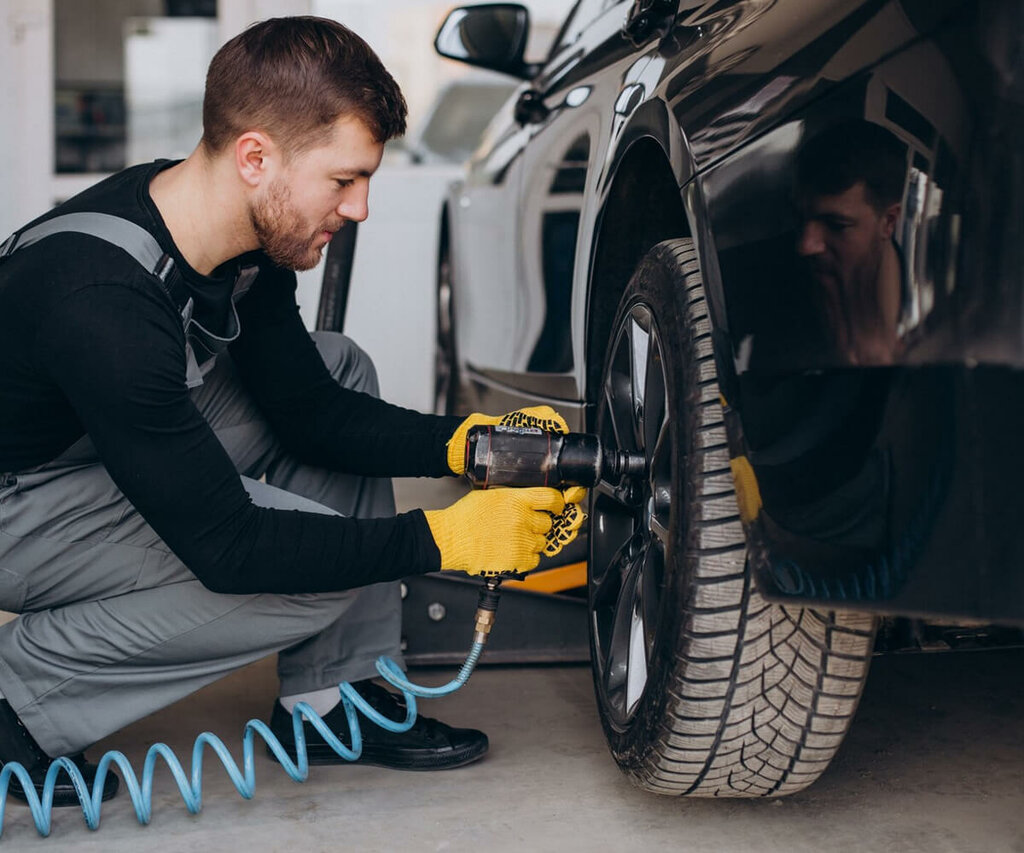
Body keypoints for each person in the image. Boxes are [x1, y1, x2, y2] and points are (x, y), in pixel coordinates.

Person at [0, 16, 583, 807]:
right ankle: (19, 698)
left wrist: (471, 443)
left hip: (78, 449)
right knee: (310, 578)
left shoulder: (235, 236)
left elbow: (311, 411)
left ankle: (330, 698)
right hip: (17, 504)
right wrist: (446, 536)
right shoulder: (103, 301)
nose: (361, 207)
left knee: (337, 362)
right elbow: (229, 547)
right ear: (255, 158)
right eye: (344, 180)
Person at [794, 119, 908, 366]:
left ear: (889, 221)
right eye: (800, 219)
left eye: (836, 225)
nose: (805, 245)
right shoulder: (774, 289)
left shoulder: (931, 319)